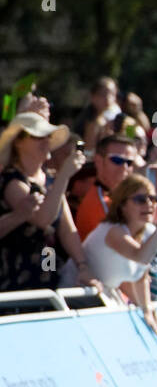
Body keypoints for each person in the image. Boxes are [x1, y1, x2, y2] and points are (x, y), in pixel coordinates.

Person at [83, 174, 157, 338]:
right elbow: (141, 257)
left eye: (153, 199)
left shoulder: (147, 231)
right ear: (122, 205)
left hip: (100, 300)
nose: (149, 204)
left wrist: (149, 312)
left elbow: (141, 274)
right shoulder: (113, 231)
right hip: (78, 297)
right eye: (140, 199)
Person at [0, 112, 95, 293]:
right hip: (17, 277)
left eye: (48, 136)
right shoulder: (11, 180)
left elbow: (67, 230)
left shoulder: (51, 181)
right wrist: (64, 175)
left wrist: (83, 266)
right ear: (18, 142)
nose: (46, 141)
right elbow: (43, 220)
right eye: (37, 136)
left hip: (48, 270)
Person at [74, 132, 141, 240]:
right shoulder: (97, 202)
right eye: (117, 160)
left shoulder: (120, 197)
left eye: (129, 162)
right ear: (99, 161)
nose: (124, 167)